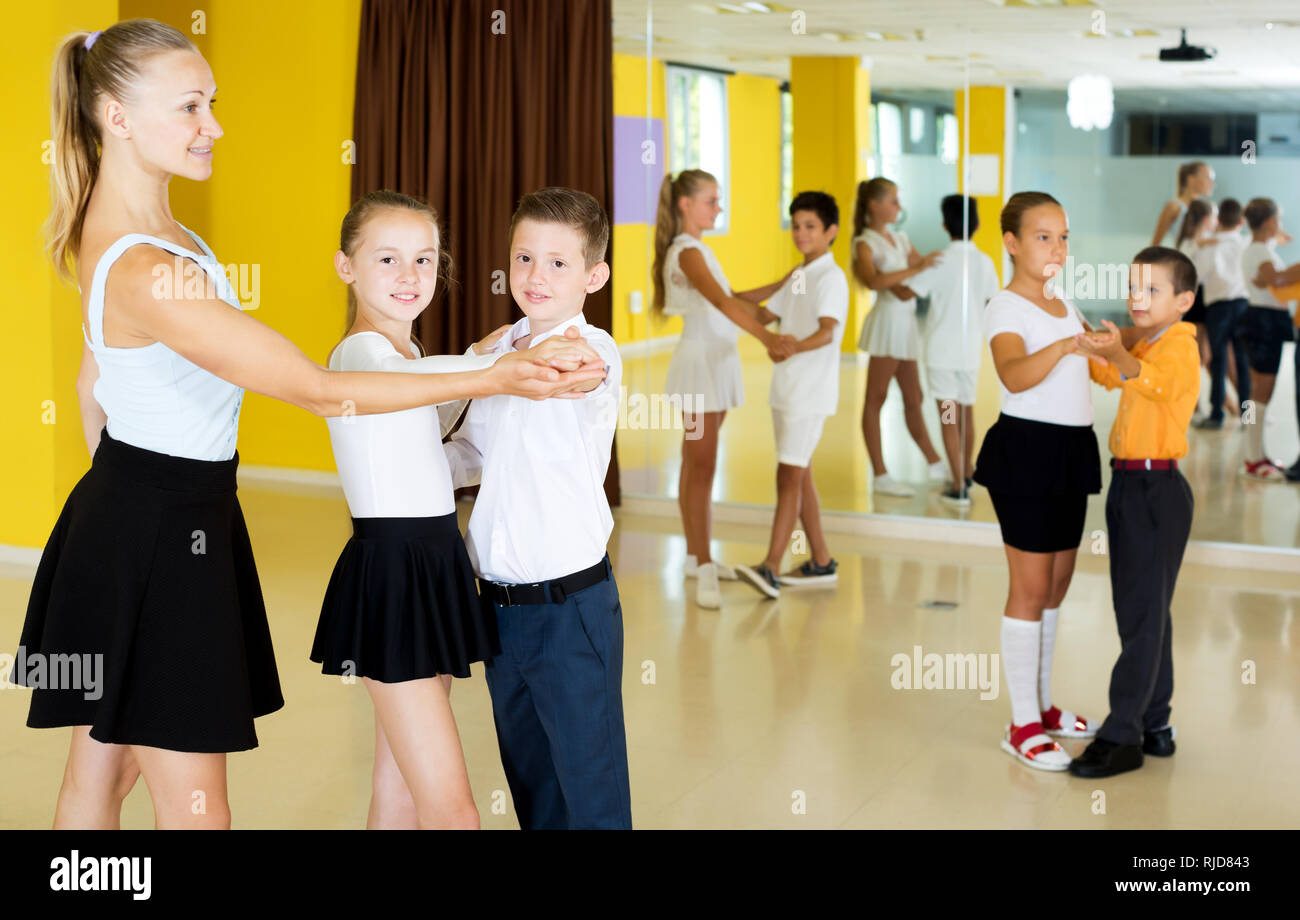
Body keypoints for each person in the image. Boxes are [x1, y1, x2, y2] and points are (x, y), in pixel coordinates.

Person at [15, 20, 605, 831]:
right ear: (116, 116)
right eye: (190, 107)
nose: (213, 125)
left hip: (143, 517)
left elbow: (93, 383)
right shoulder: (151, 268)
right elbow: (324, 391)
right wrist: (497, 373)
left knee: (101, 778)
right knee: (197, 808)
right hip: (156, 529)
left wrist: (119, 515)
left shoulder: (153, 237)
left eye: (211, 103)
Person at [310, 190, 534, 829]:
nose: (410, 277)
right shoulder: (360, 354)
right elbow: (402, 387)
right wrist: (486, 367)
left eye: (425, 260)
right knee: (455, 813)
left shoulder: (411, 359)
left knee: (401, 792)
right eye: (387, 259)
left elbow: (432, 460)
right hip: (394, 572)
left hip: (435, 562)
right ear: (346, 266)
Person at [445, 188, 632, 829]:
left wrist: (485, 365)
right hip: (499, 610)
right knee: (534, 792)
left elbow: (575, 373)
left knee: (592, 799)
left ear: (593, 275)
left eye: (558, 262)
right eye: (525, 257)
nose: (536, 276)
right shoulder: (498, 354)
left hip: (570, 611)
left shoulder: (594, 348)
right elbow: (468, 454)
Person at [972, 192, 1101, 772]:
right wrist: (1069, 344)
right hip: (1026, 450)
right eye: (1044, 236)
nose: (1058, 247)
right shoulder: (1005, 306)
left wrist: (1106, 346)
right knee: (1028, 589)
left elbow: (1091, 369)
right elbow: (1015, 375)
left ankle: (1044, 708)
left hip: (1072, 450)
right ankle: (1021, 723)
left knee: (1056, 587)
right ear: (1013, 243)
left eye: (1065, 236)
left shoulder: (1062, 301)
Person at [1069, 247, 1199, 778]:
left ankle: (1122, 736)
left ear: (1184, 301)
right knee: (1146, 614)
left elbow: (1155, 382)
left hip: (1157, 491)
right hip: (1129, 483)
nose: (1136, 299)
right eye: (1133, 288)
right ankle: (1156, 725)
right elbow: (1114, 377)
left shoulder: (1180, 348)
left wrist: (1119, 355)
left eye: (1151, 291)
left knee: (1142, 618)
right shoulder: (1148, 344)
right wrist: (1086, 346)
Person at [652, 169, 796, 608]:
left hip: (716, 364)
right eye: (712, 201)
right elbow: (720, 302)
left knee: (702, 464)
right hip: (699, 368)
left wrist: (786, 287)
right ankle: (701, 558)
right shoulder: (687, 251)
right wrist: (767, 337)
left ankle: (700, 558)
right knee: (700, 464)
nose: (719, 207)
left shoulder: (700, 251)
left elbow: (732, 295)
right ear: (686, 205)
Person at [733, 191, 847, 598]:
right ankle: (821, 561)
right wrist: (718, 297)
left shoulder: (831, 278)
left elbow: (828, 331)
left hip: (808, 394)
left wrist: (789, 346)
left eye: (810, 226)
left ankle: (771, 566)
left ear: (831, 231)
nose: (800, 233)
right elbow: (764, 314)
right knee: (801, 475)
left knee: (788, 476)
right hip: (787, 390)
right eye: (796, 225)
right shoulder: (800, 274)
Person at [851, 177, 946, 499]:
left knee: (914, 397)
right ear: (874, 205)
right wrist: (911, 271)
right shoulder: (865, 243)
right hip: (886, 325)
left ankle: (935, 463)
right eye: (893, 201)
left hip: (905, 326)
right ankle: (880, 474)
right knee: (875, 399)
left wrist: (923, 268)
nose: (898, 207)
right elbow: (875, 281)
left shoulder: (901, 239)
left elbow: (919, 271)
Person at [906, 194, 1000, 508]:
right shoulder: (985, 262)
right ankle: (967, 470)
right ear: (977, 224)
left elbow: (912, 289)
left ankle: (958, 484)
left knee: (948, 418)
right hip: (968, 353)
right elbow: (991, 303)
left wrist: (914, 262)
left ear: (945, 225)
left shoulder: (940, 260)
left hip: (941, 355)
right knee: (966, 414)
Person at [1236, 198, 1295, 481]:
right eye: (1278, 220)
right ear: (1270, 221)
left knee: (1257, 392)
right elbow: (1277, 280)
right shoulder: (1260, 250)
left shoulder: (1259, 248)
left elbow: (1268, 278)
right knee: (1262, 391)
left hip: (1262, 321)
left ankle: (1256, 455)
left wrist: (1277, 239)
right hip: (1265, 323)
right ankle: (1253, 458)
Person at [1193, 198, 1251, 431]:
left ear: (1218, 221)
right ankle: (1248, 417)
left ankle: (1216, 415)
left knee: (1218, 361)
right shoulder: (1246, 243)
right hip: (1243, 306)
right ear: (1241, 221)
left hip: (1217, 308)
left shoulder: (1210, 247)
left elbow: (1198, 277)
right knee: (1243, 363)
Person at [1172, 199, 1217, 418]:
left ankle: (1201, 404)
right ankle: (1195, 405)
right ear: (1207, 219)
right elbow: (1185, 268)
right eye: (1214, 217)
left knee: (1203, 356)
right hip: (1194, 303)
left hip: (1203, 302)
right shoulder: (1189, 243)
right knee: (1197, 356)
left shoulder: (1206, 242)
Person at [1150, 161, 1214, 247]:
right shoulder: (1173, 207)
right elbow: (1155, 244)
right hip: (1185, 257)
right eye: (1208, 178)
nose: (1212, 184)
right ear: (1191, 179)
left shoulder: (1208, 207)